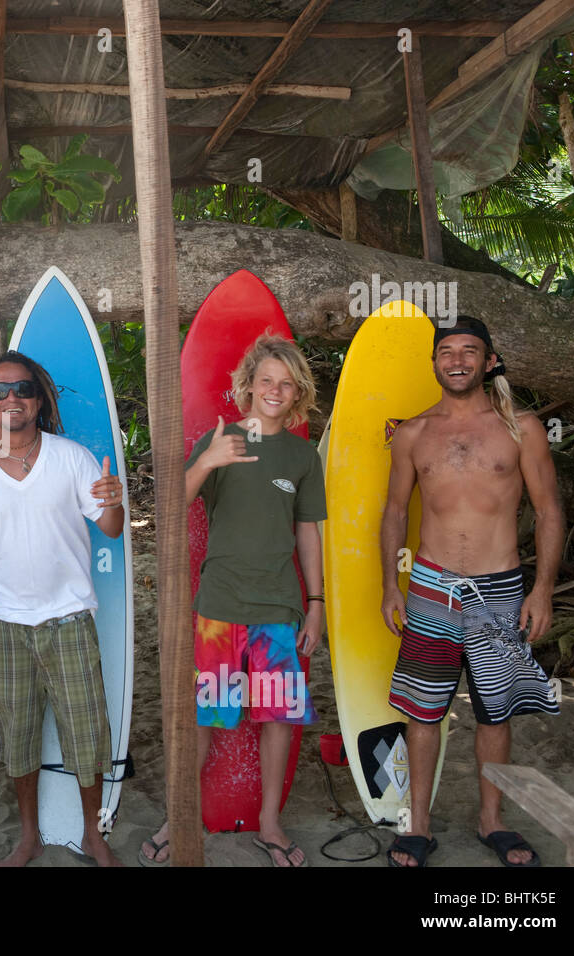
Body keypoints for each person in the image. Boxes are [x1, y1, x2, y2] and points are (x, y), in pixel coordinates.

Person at [381, 315, 562, 868]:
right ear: (434, 362)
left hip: (501, 593)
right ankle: (418, 826)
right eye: (447, 351)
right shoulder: (412, 432)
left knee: (494, 713)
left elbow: (550, 509)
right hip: (432, 590)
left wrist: (544, 590)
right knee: (424, 712)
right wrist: (390, 583)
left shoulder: (520, 426)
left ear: (488, 361)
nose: (457, 360)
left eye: (470, 351)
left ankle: (492, 822)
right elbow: (393, 511)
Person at [142, 334, 325, 868]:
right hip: (219, 607)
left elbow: (309, 532)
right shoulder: (218, 438)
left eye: (286, 384)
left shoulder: (301, 455)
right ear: (250, 384)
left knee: (276, 718)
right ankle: (177, 818)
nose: (275, 390)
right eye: (267, 379)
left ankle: (270, 822)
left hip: (278, 609)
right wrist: (210, 459)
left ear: (297, 395)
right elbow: (173, 505)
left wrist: (316, 602)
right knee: (203, 717)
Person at [0, 350, 126, 867]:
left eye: (22, 388)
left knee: (86, 736)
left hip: (70, 621)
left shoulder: (72, 458)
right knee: (18, 739)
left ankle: (94, 836)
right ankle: (29, 836)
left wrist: (113, 500)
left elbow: (110, 529)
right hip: (5, 625)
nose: (11, 399)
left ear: (39, 397)